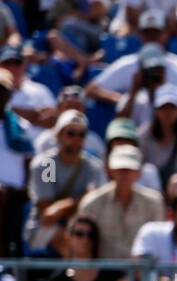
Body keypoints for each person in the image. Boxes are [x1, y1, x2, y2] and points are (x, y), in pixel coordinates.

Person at [85, 27, 177, 124]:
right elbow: (120, 122)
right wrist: (133, 92)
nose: (155, 75)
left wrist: (171, 104)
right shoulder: (137, 100)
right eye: (150, 70)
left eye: (158, 70)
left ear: (165, 71)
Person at [25, 108, 106, 255]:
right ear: (58, 135)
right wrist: (82, 199)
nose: (76, 139)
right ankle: (70, 277)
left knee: (85, 235)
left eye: (81, 134)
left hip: (80, 224)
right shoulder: (47, 164)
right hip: (43, 227)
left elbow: (98, 204)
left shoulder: (93, 166)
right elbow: (48, 212)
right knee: (70, 239)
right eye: (70, 133)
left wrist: (64, 207)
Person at [76, 144, 164, 260]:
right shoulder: (91, 203)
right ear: (110, 171)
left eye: (129, 169)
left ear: (139, 173)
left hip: (141, 274)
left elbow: (157, 244)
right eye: (120, 169)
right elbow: (82, 246)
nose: (124, 174)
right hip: (102, 273)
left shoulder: (154, 202)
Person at [0, 71, 33, 258]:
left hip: (16, 195)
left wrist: (29, 189)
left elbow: (33, 160)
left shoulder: (21, 126)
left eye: (3, 91)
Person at [33, 86, 106, 157]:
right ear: (59, 109)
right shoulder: (45, 141)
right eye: (68, 107)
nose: (72, 111)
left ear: (84, 110)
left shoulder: (95, 142)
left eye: (76, 107)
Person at [0, 41, 55, 128]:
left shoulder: (40, 90)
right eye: (7, 63)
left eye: (17, 63)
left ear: (23, 65)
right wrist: (33, 114)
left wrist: (8, 111)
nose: (12, 68)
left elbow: (52, 120)